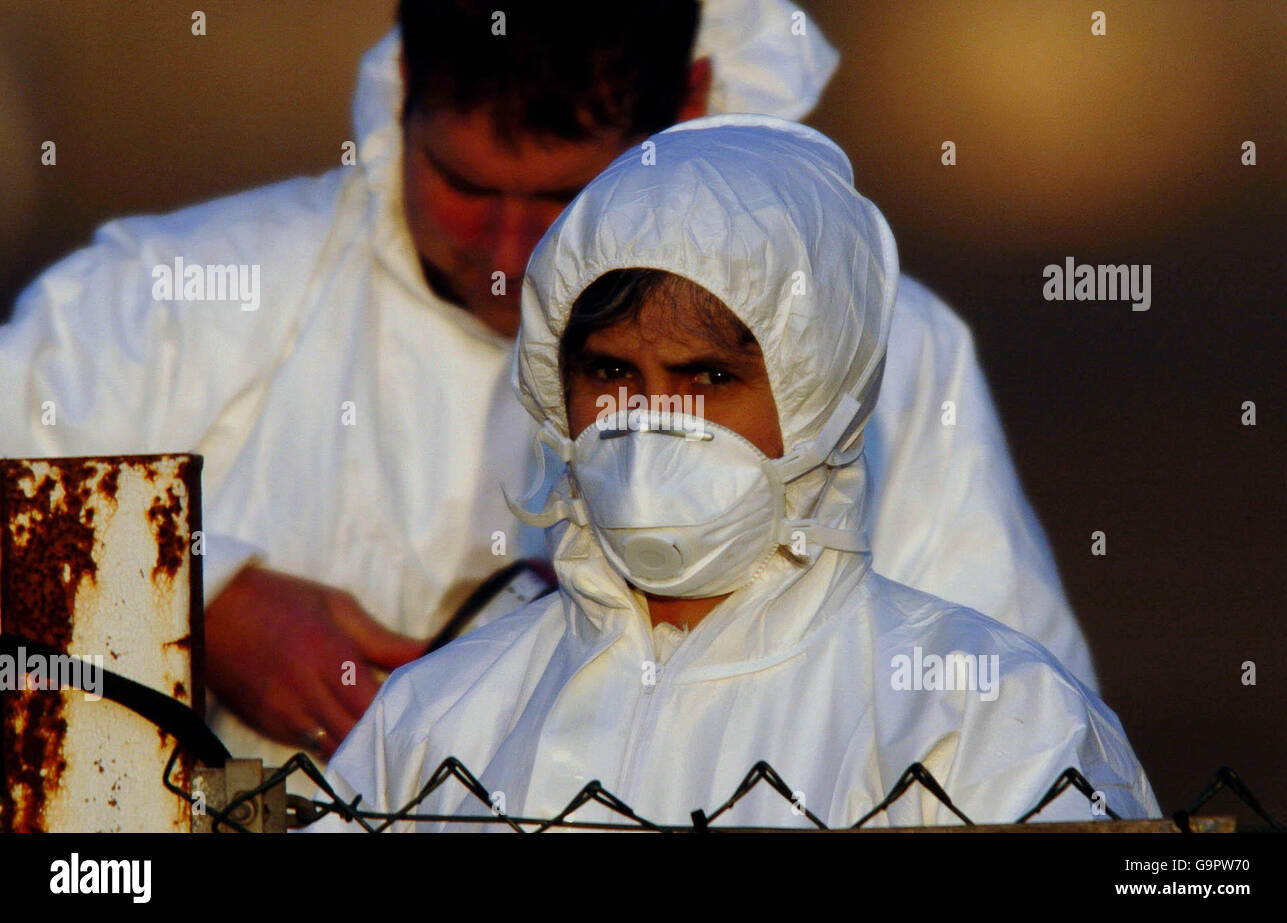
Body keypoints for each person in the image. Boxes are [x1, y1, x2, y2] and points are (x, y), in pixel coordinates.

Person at [0, 1, 1096, 792]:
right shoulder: (150, 303)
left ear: (691, 102)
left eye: (565, 194)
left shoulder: (877, 342)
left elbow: (998, 721)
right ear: (402, 97)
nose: (511, 249)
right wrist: (187, 588)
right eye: (465, 184)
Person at [308, 117, 1158, 830]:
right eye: (610, 375)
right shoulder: (434, 721)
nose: (652, 424)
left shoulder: (984, 722)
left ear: (820, 395)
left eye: (707, 379)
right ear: (550, 389)